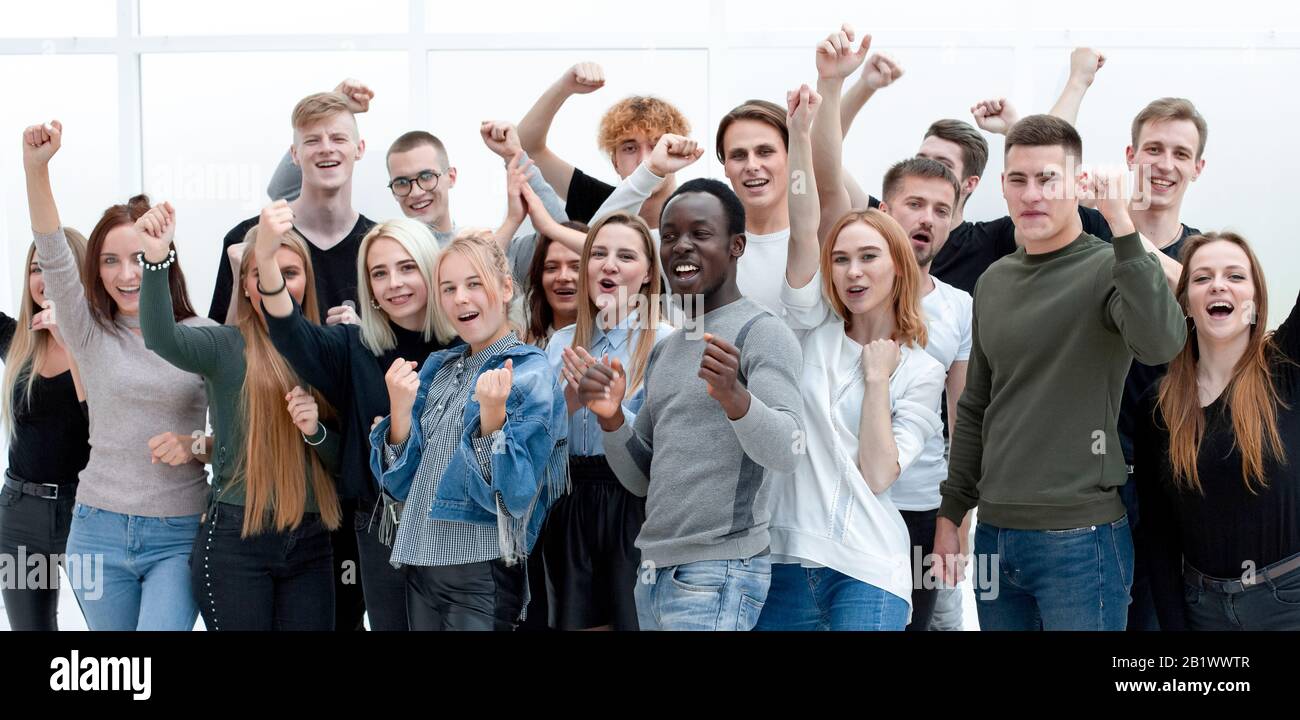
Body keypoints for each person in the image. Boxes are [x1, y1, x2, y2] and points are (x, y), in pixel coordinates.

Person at [934, 114, 1186, 631]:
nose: (1032, 194)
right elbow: (976, 403)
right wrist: (951, 511)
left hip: (1083, 537)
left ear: (1077, 185)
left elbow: (1162, 341)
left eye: (1048, 179)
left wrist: (1122, 224)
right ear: (1002, 186)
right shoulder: (994, 281)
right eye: (1019, 179)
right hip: (995, 537)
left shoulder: (1108, 267)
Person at [756, 86, 944, 631]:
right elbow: (804, 222)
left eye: (868, 257)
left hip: (870, 568)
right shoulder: (807, 329)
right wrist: (797, 134)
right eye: (840, 260)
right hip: (784, 563)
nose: (853, 271)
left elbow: (881, 473)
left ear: (898, 268)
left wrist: (879, 379)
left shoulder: (921, 370)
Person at [578, 178, 803, 631]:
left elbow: (787, 450)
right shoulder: (668, 348)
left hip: (719, 572)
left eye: (700, 234)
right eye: (670, 236)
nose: (681, 247)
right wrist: (612, 419)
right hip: (654, 570)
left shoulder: (762, 331)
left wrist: (735, 399)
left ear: (736, 245)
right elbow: (641, 479)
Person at [24, 120, 212, 631]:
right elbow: (51, 248)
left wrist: (196, 444)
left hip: (178, 532)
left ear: (162, 257)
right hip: (96, 529)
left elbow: (237, 436)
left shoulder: (203, 335)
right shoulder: (88, 331)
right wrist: (35, 169)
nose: (126, 274)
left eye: (137, 258)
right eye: (110, 261)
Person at [137, 202, 342, 630]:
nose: (278, 284)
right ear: (247, 286)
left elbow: (344, 460)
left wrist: (316, 432)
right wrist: (157, 259)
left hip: (312, 540)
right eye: (264, 273)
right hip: (234, 539)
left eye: (292, 273)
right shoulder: (225, 345)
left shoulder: (329, 348)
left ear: (308, 280)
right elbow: (160, 336)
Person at [369, 233, 567, 630]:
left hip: (481, 569)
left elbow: (512, 494)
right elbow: (397, 485)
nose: (461, 298)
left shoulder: (528, 371)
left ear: (506, 287)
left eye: (474, 283)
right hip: (420, 562)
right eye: (449, 288)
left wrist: (492, 416)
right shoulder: (438, 367)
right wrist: (399, 410)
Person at [1135, 232, 1300, 630]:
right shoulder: (1158, 406)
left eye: (1235, 276)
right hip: (1202, 610)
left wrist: (1121, 221)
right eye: (1202, 278)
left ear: (1256, 301)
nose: (1219, 285)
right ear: (1186, 304)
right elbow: (1159, 536)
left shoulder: (1287, 369)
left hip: (1288, 603)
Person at [543, 211, 674, 630]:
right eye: (598, 253)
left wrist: (613, 409)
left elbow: (666, 444)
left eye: (626, 256)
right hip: (570, 499)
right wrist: (570, 397)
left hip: (635, 502)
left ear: (649, 273)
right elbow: (538, 436)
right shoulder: (561, 342)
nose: (609, 265)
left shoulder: (666, 342)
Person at [0, 231, 90, 630]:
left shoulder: (104, 346)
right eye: (37, 269)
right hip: (21, 516)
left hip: (88, 513)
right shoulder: (18, 339)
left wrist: (68, 339)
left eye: (57, 268)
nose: (45, 278)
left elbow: (106, 423)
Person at [518, 62, 690, 227]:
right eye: (630, 148)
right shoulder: (597, 201)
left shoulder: (700, 209)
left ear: (676, 151)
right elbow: (527, 148)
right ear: (615, 162)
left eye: (656, 146)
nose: (644, 160)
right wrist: (564, 86)